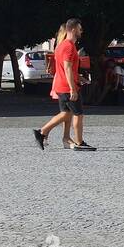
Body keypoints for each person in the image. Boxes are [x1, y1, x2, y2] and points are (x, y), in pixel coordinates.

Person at [33, 17, 96, 151]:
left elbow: (65, 68)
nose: (81, 31)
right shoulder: (68, 47)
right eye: (79, 29)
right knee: (78, 114)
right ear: (73, 29)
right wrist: (73, 88)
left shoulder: (61, 46)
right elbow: (67, 68)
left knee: (66, 114)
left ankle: (47, 133)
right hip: (67, 87)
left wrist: (79, 77)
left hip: (61, 85)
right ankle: (79, 142)